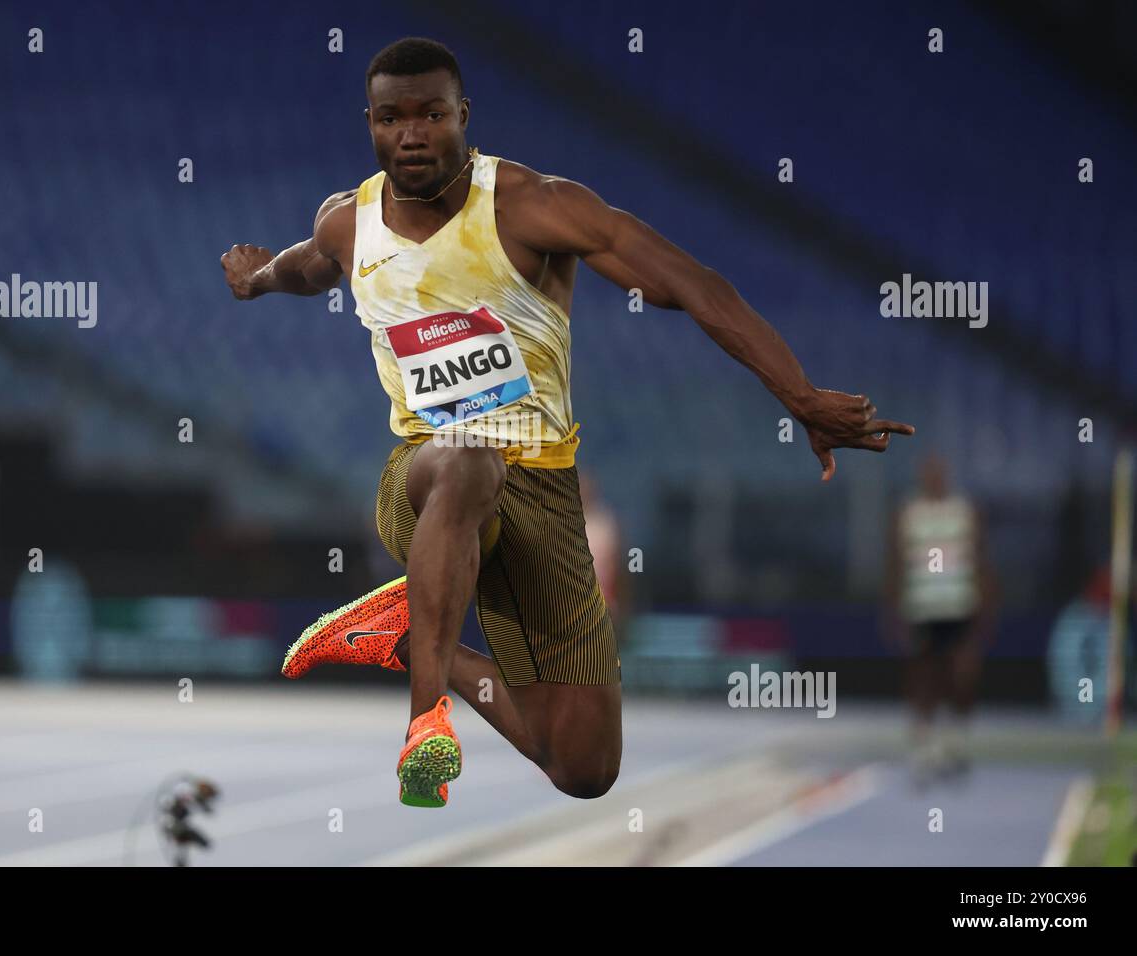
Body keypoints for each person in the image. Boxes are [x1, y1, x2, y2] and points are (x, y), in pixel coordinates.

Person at [222, 37, 914, 807]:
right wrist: (253, 281)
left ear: (464, 116)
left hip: (544, 497)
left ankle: (405, 634)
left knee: (584, 768)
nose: (411, 133)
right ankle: (426, 725)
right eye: (391, 118)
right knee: (464, 458)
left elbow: (688, 282)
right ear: (371, 123)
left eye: (431, 114)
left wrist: (800, 394)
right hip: (423, 478)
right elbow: (300, 269)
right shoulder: (349, 225)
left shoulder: (531, 206)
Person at [885, 453, 994, 785]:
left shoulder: (964, 511)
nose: (933, 479)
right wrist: (893, 610)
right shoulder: (908, 514)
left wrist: (985, 612)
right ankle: (925, 749)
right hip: (922, 609)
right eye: (927, 474)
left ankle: (955, 743)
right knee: (924, 680)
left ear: (945, 476)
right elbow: (895, 564)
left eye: (938, 474)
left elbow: (981, 562)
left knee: (961, 678)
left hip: (959, 608)